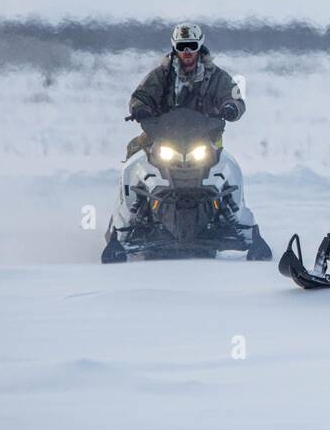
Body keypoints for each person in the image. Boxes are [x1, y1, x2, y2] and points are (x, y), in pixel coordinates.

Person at [103, 23, 267, 260]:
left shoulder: (216, 76)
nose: (187, 51)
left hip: (204, 139)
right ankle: (128, 217)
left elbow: (234, 97)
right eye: (182, 47)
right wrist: (140, 109)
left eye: (191, 46)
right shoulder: (161, 75)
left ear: (199, 46)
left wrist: (231, 108)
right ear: (175, 48)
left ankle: (237, 218)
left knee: (227, 167)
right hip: (164, 136)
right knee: (135, 154)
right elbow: (141, 96)